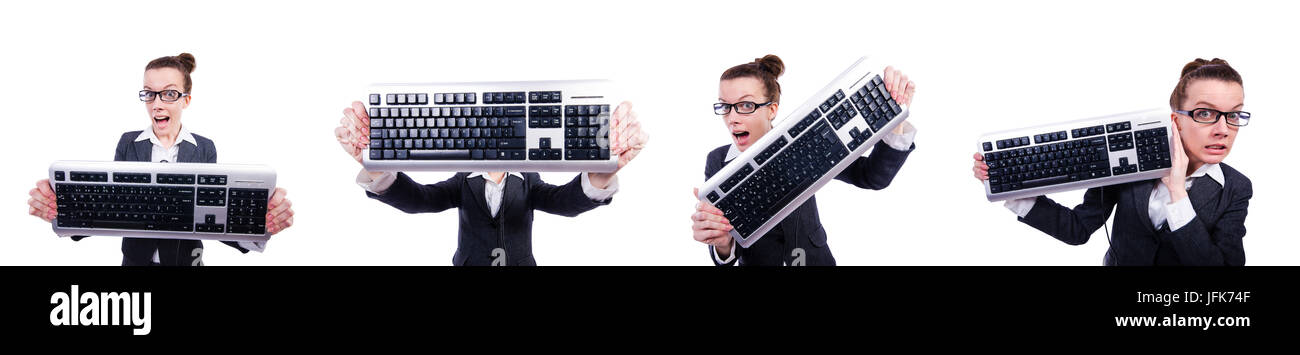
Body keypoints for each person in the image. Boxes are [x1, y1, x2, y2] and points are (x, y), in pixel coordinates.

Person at [971, 58, 1252, 266]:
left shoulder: (1236, 188)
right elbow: (1077, 229)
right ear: (1175, 120)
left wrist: (1178, 192)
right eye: (1205, 113)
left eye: (1234, 115)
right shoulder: (1130, 164)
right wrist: (1009, 182)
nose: (1223, 129)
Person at [27, 53, 295, 266]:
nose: (157, 104)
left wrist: (258, 225)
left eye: (169, 93)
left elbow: (213, 215)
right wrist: (64, 210)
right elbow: (110, 205)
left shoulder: (204, 148)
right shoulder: (128, 143)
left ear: (186, 100)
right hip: (135, 263)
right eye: (149, 93)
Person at [334, 98, 647, 266]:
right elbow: (421, 200)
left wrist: (601, 174)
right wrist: (376, 169)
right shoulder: (461, 181)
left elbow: (563, 203)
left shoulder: (529, 180)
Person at [690, 55, 918, 266]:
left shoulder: (807, 140)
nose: (732, 118)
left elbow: (872, 177)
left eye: (746, 105)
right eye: (725, 107)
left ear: (772, 110)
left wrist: (894, 117)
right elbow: (726, 246)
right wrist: (721, 243)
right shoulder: (718, 160)